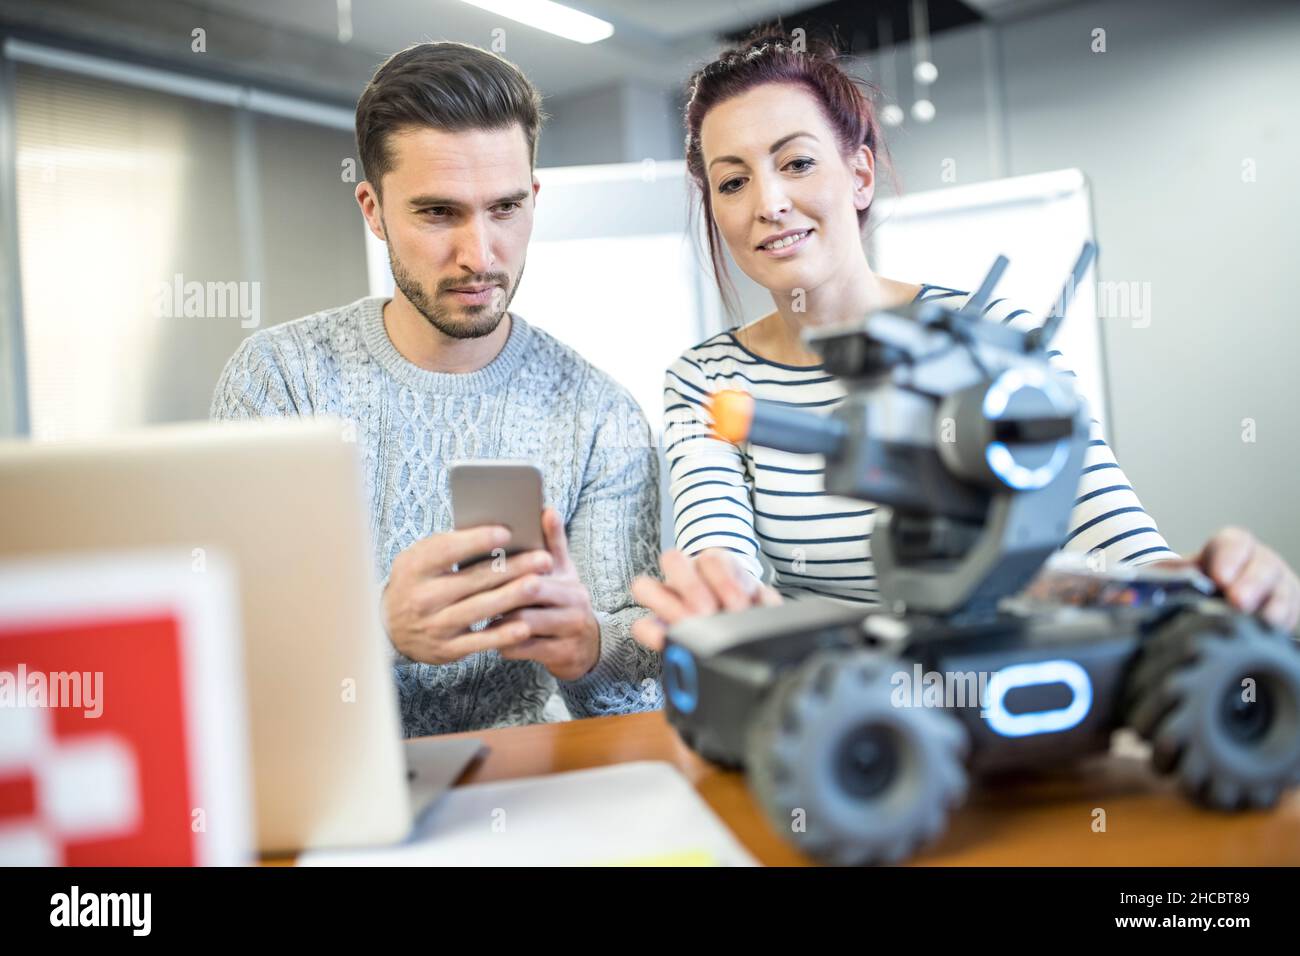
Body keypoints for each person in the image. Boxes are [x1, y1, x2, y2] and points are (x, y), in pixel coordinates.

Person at [631, 35, 1299, 650]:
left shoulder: (994, 340)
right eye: (733, 181)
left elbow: (1113, 542)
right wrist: (720, 598)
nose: (768, 202)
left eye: (797, 162)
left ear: (860, 175)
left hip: (1002, 680)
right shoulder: (705, 379)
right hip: (835, 700)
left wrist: (1215, 586)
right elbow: (717, 554)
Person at [211, 42, 661, 736]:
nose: (480, 255)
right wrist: (379, 627)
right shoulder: (281, 381)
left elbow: (629, 715)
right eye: (439, 213)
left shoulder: (600, 416)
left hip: (524, 790)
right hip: (326, 786)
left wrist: (590, 651)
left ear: (534, 199)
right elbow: (224, 648)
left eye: (505, 207)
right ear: (373, 209)